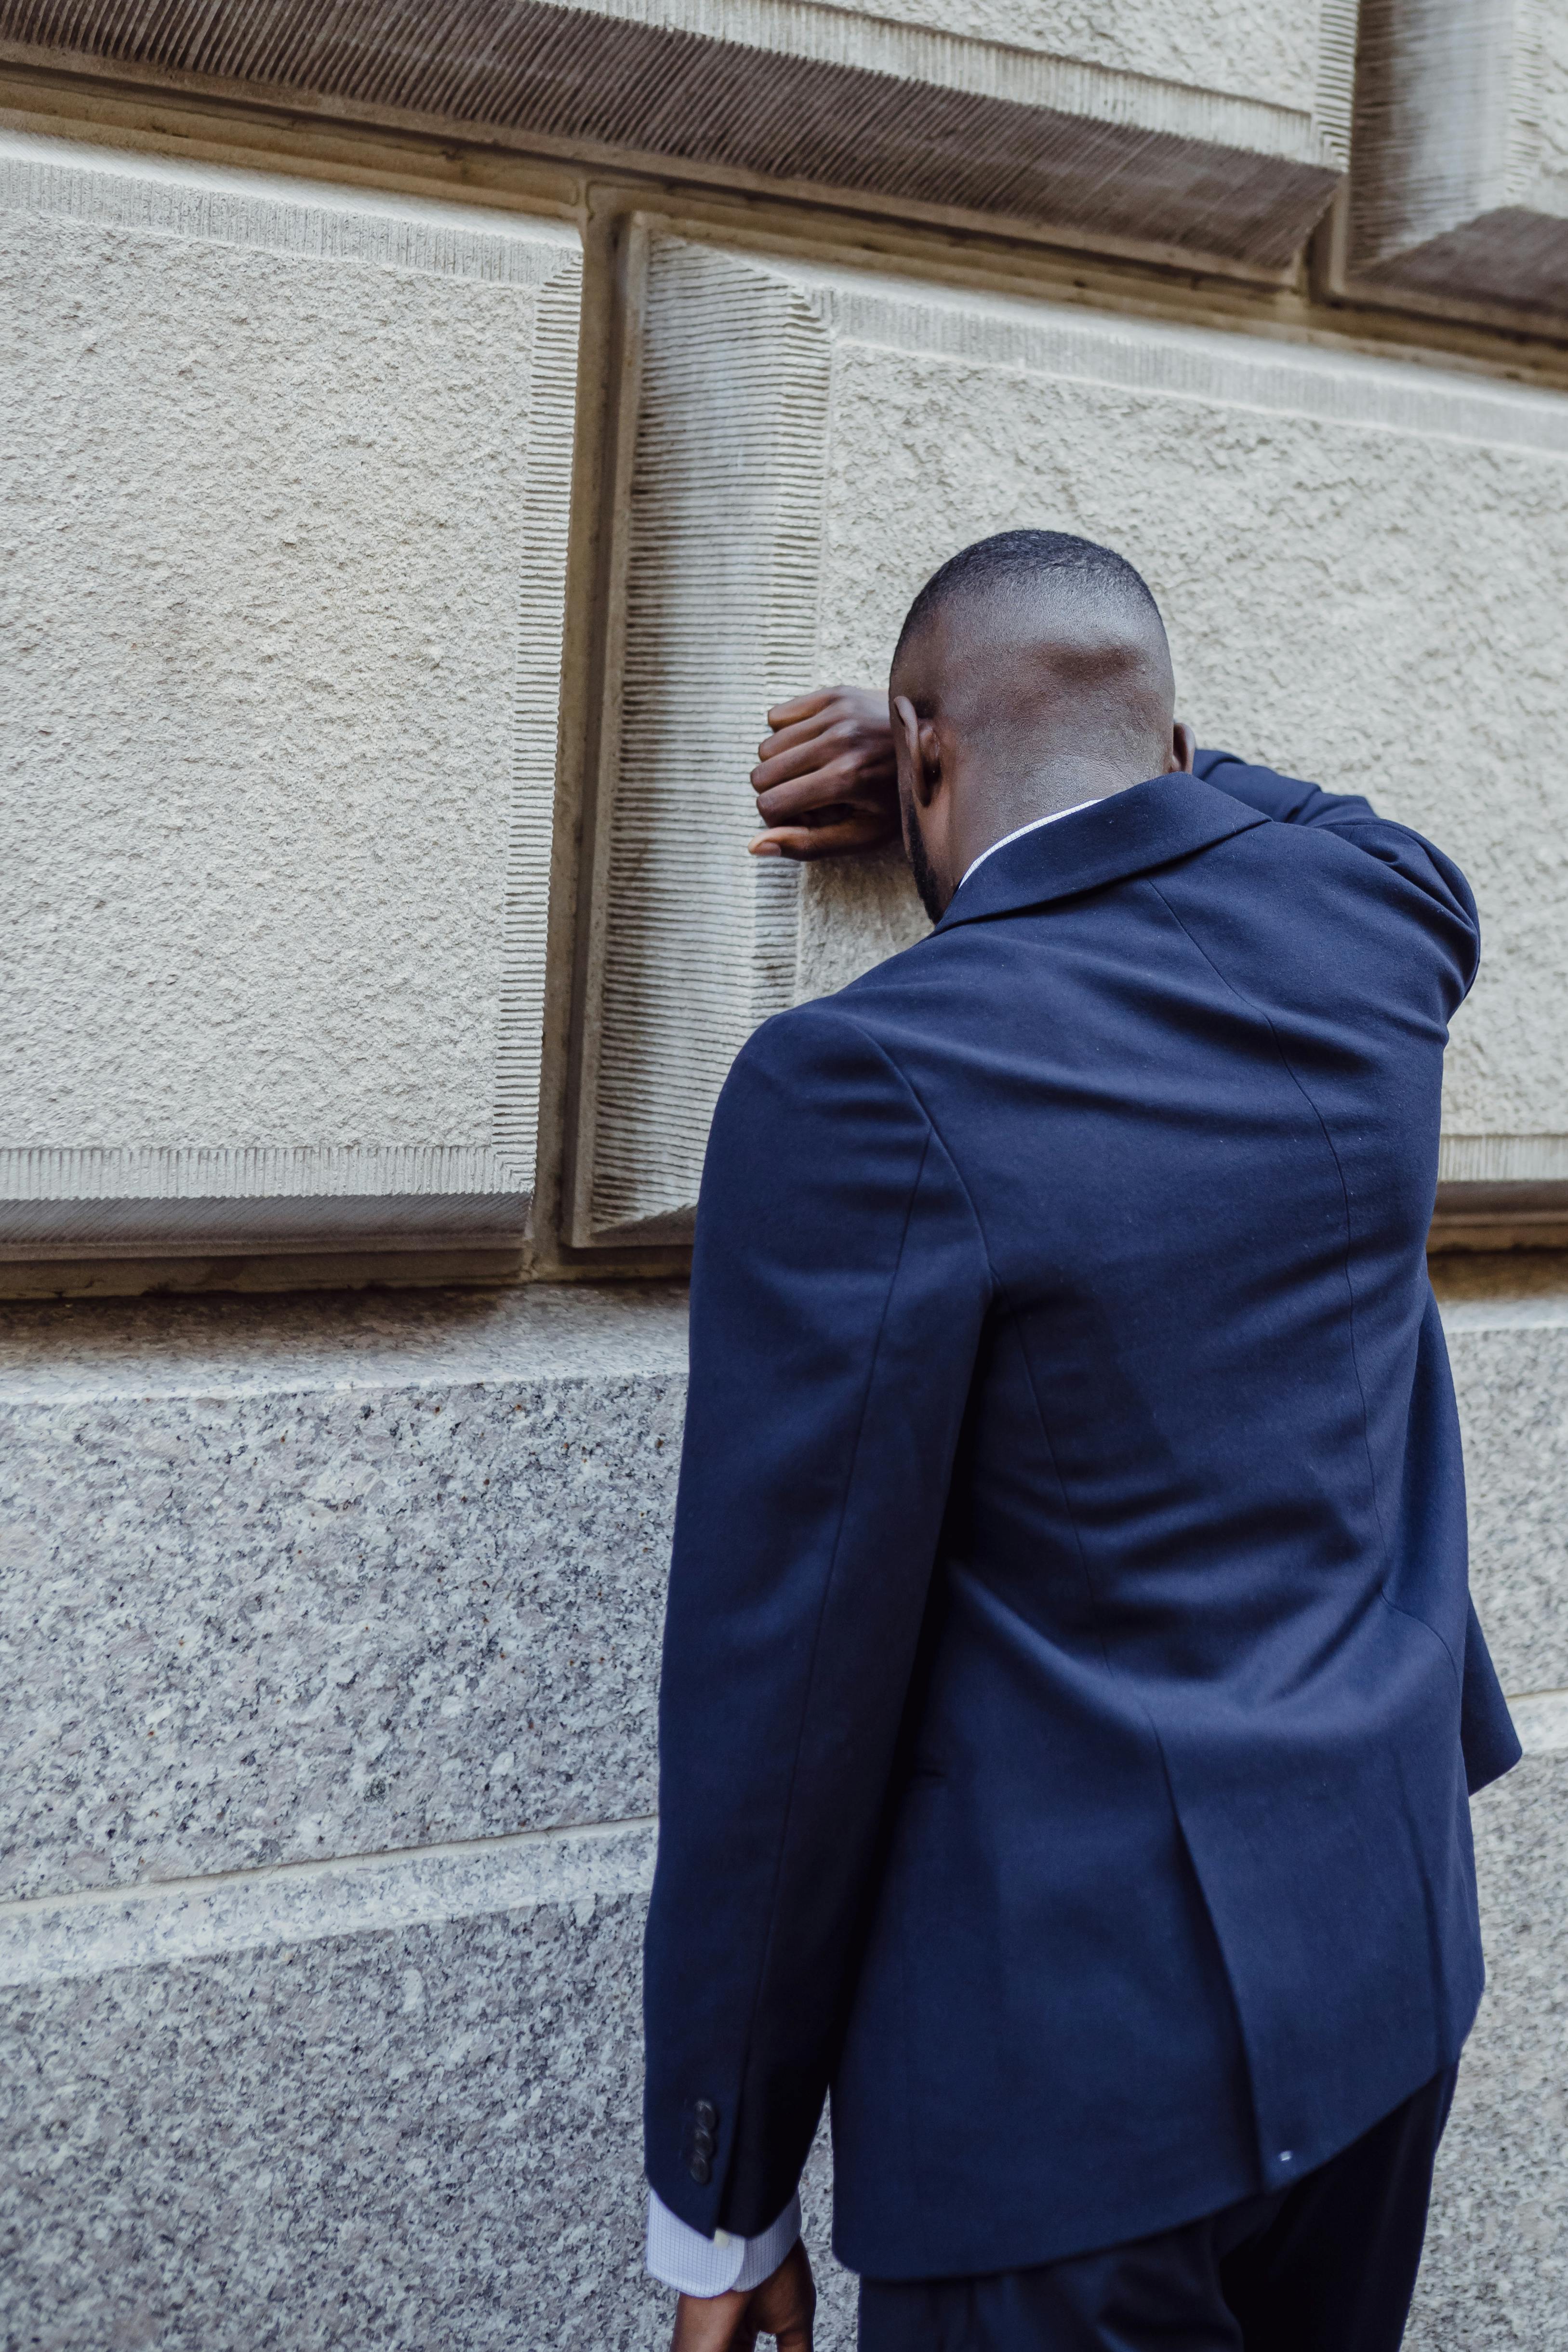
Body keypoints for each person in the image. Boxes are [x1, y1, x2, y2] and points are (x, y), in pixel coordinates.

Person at [640, 529, 1520, 2352]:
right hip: (1389, 1989)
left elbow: (778, 1689)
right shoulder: (1373, 931)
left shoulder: (863, 1082)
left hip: (1072, 2122)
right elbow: (1361, 827)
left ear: (922, 750)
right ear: (1170, 738)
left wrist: (721, 2200)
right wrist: (1055, 749)